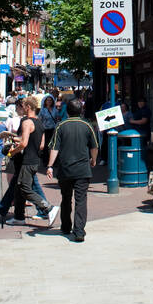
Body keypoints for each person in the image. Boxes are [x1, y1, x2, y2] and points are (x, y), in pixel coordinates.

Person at [0, 97, 57, 227]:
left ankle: (48, 207)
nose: (21, 109)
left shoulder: (26, 122)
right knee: (18, 187)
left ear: (28, 107)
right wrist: (11, 136)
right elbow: (41, 145)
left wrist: (12, 152)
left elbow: (23, 143)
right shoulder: (39, 122)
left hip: (26, 160)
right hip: (35, 160)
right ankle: (19, 216)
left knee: (24, 188)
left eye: (23, 106)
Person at [45, 99, 99, 241]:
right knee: (81, 200)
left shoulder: (60, 126)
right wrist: (93, 160)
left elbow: (54, 147)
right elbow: (94, 146)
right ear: (81, 111)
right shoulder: (87, 125)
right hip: (82, 169)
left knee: (66, 198)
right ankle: (79, 231)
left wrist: (50, 165)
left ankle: (65, 226)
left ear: (67, 111)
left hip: (65, 169)